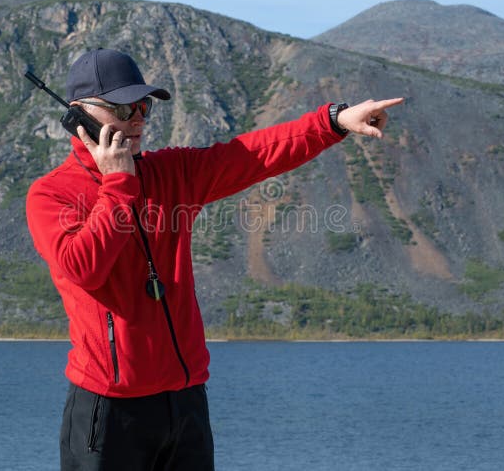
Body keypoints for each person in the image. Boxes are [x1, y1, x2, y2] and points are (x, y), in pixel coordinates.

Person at [25, 48, 403, 470]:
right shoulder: (51, 194)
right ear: (79, 116)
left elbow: (251, 155)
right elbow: (84, 267)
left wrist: (332, 121)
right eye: (123, 107)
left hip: (185, 403)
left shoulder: (172, 173)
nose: (137, 118)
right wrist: (117, 184)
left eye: (143, 105)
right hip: (108, 409)